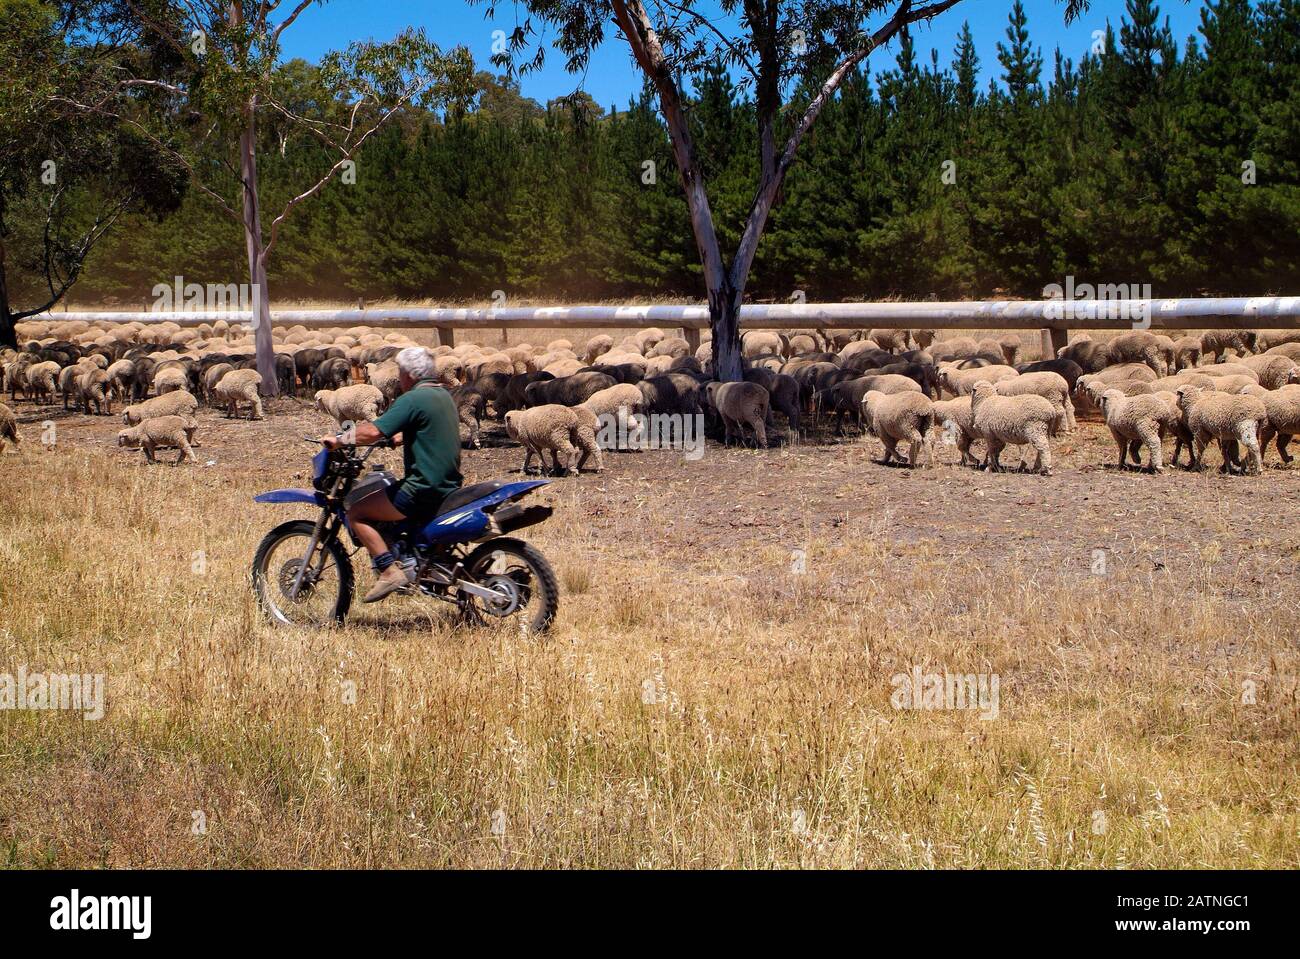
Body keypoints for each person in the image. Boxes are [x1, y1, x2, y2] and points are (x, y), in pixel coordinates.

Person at [320, 347, 463, 603]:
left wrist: (341, 439)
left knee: (357, 513)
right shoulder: (443, 395)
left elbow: (373, 431)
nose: (398, 377)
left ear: (409, 373)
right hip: (449, 485)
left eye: (400, 371)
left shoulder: (413, 399)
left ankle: (388, 570)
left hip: (421, 489)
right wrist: (402, 435)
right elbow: (428, 427)